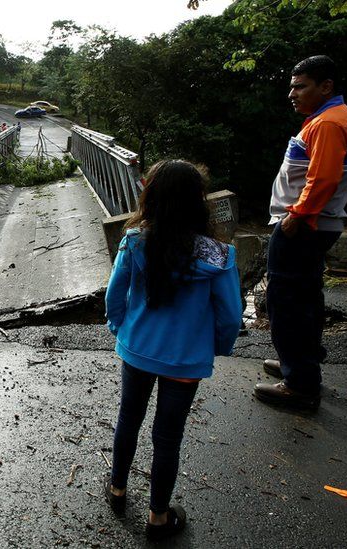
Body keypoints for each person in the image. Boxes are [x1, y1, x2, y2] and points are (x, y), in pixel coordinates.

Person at [104, 160, 242, 540]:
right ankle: (158, 517)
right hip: (186, 359)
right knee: (167, 437)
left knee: (128, 418)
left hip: (137, 349)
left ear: (152, 196)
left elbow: (115, 295)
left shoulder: (135, 241)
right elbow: (230, 315)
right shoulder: (220, 255)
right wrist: (216, 347)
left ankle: (117, 490)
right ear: (199, 201)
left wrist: (119, 327)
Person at [255, 55, 347, 409]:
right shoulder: (332, 118)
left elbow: (325, 178)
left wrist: (297, 216)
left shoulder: (329, 123)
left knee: (285, 301)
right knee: (306, 295)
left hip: (305, 225)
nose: (292, 94)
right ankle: (301, 361)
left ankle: (300, 382)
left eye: (300, 86)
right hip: (318, 223)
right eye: (291, 86)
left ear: (326, 86)